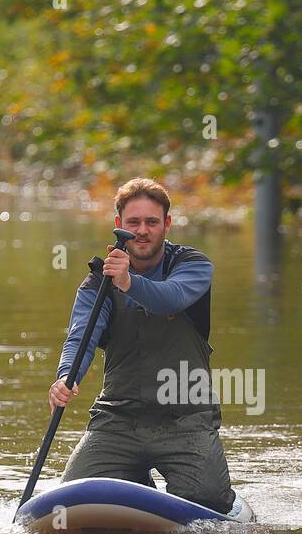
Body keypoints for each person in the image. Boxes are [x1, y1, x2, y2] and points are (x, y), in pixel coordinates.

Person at [49, 177, 240, 515]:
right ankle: (134, 480)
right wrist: (67, 376)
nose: (142, 231)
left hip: (187, 418)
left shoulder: (192, 265)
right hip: (117, 418)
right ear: (118, 225)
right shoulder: (98, 281)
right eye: (133, 223)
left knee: (209, 504)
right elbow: (81, 336)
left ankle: (167, 488)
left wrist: (127, 282)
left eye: (152, 222)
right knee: (72, 504)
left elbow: (171, 299)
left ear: (167, 224)